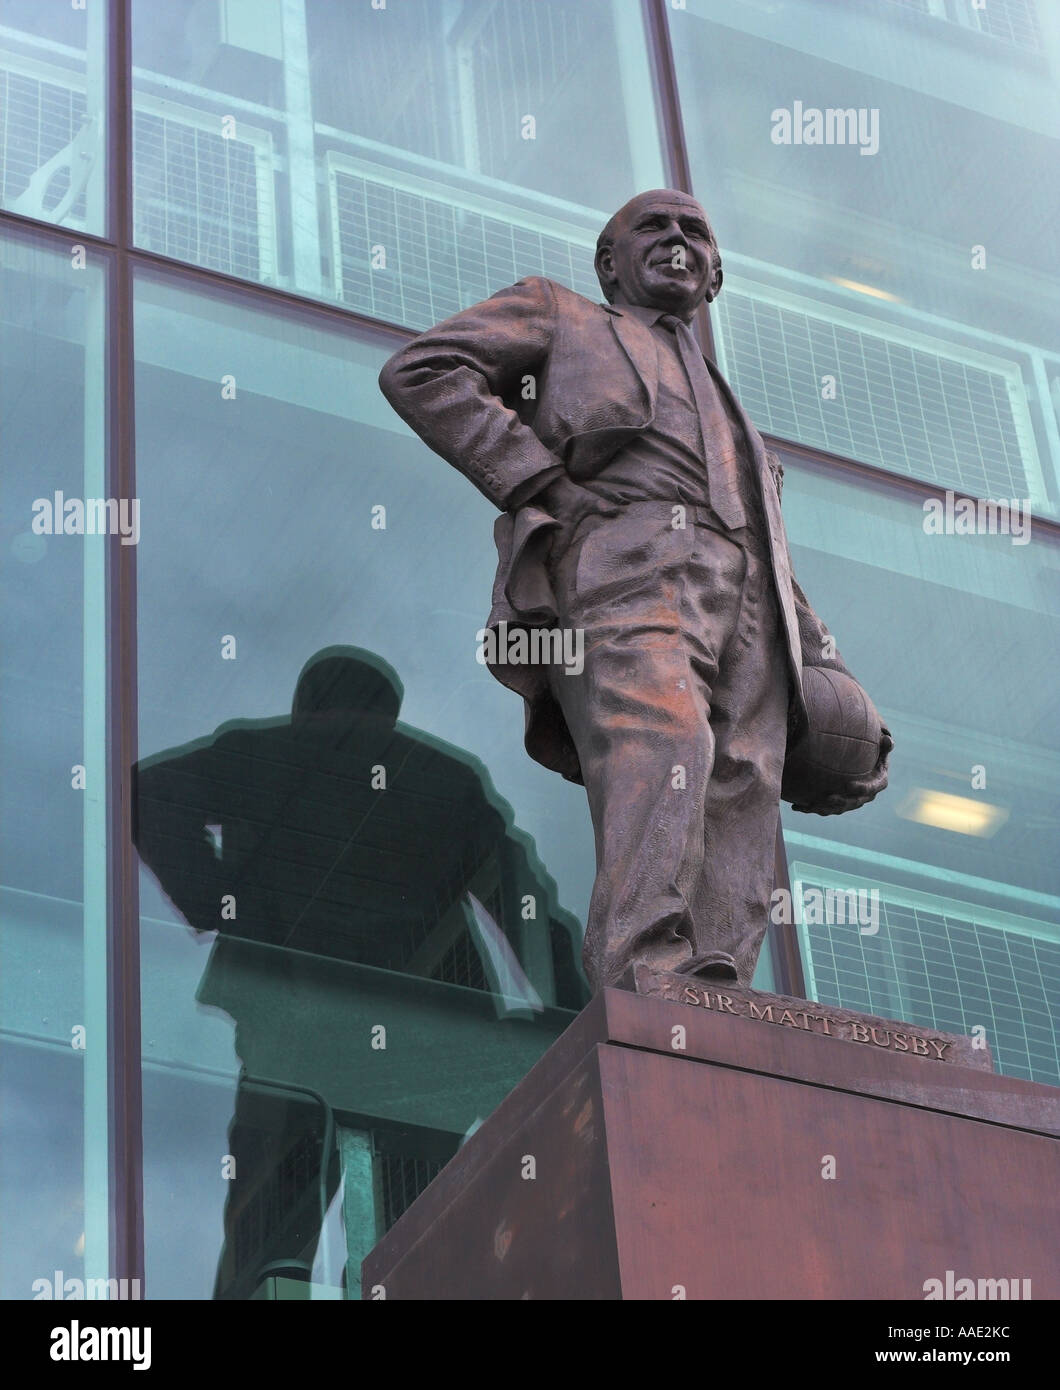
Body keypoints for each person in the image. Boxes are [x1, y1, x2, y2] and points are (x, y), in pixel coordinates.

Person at [379, 189, 891, 992]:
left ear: (715, 275)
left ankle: (717, 987)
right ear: (609, 262)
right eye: (652, 227)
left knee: (746, 775)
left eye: (696, 231)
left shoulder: (737, 416)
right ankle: (643, 970)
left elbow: (770, 546)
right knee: (667, 739)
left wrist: (825, 660)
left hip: (749, 593)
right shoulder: (558, 314)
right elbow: (424, 370)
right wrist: (536, 477)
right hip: (629, 563)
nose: (677, 239)